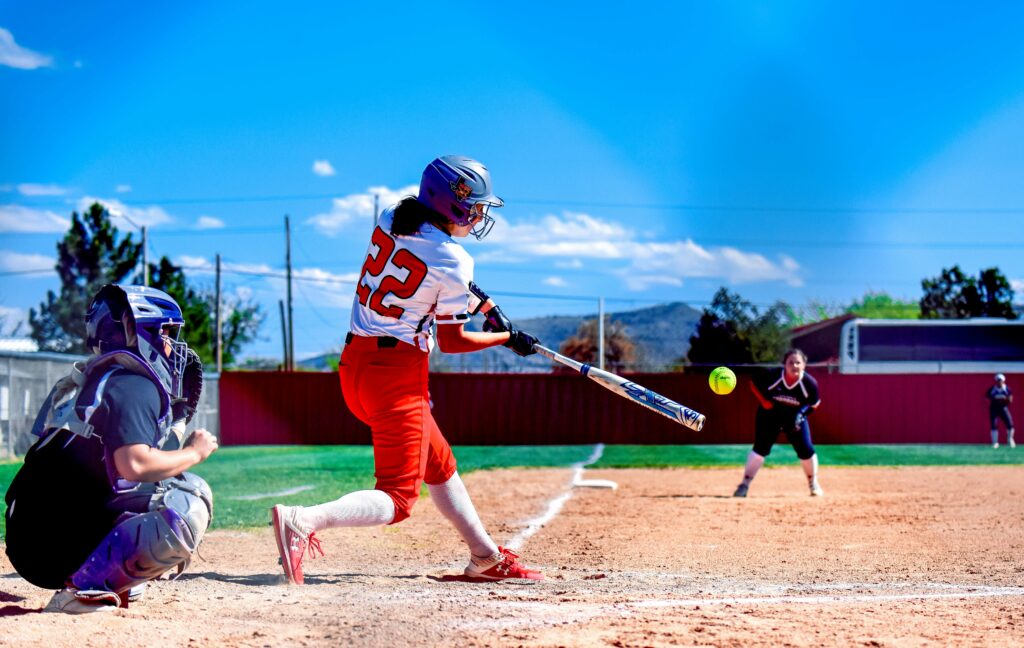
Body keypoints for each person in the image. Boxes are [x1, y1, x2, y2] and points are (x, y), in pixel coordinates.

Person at [271, 155, 544, 584]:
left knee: (440, 463)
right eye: (474, 206)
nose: (479, 215)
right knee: (398, 499)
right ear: (453, 204)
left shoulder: (392, 216)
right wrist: (505, 338)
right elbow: (453, 341)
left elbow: (427, 273)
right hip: (397, 376)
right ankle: (303, 520)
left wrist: (486, 309)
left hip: (357, 365)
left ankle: (485, 557)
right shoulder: (455, 260)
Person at [4, 285, 217, 613]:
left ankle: (109, 576)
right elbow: (135, 465)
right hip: (52, 543)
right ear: (137, 330)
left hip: (33, 535)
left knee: (165, 483)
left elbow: (137, 464)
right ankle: (86, 588)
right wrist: (195, 452)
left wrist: (176, 424)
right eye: (165, 332)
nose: (170, 345)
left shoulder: (102, 378)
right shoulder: (134, 385)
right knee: (189, 497)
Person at [733, 348, 823, 498]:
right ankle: (744, 484)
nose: (794, 366)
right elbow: (753, 382)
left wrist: (800, 414)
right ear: (784, 364)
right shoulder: (772, 375)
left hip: (794, 416)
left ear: (804, 364)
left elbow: (814, 404)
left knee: (806, 450)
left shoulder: (810, 383)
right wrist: (763, 401)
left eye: (798, 362)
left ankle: (813, 483)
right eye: (790, 362)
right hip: (770, 415)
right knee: (760, 449)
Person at [986, 373, 1014, 449]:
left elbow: (1010, 399)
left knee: (1010, 424)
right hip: (994, 408)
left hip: (1003, 408)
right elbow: (987, 398)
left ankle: (1010, 440)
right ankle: (995, 442)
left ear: (1003, 381)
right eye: (998, 381)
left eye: (1000, 380)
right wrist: (994, 400)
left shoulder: (1006, 389)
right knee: (994, 424)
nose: (999, 382)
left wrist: (1005, 399)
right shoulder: (993, 389)